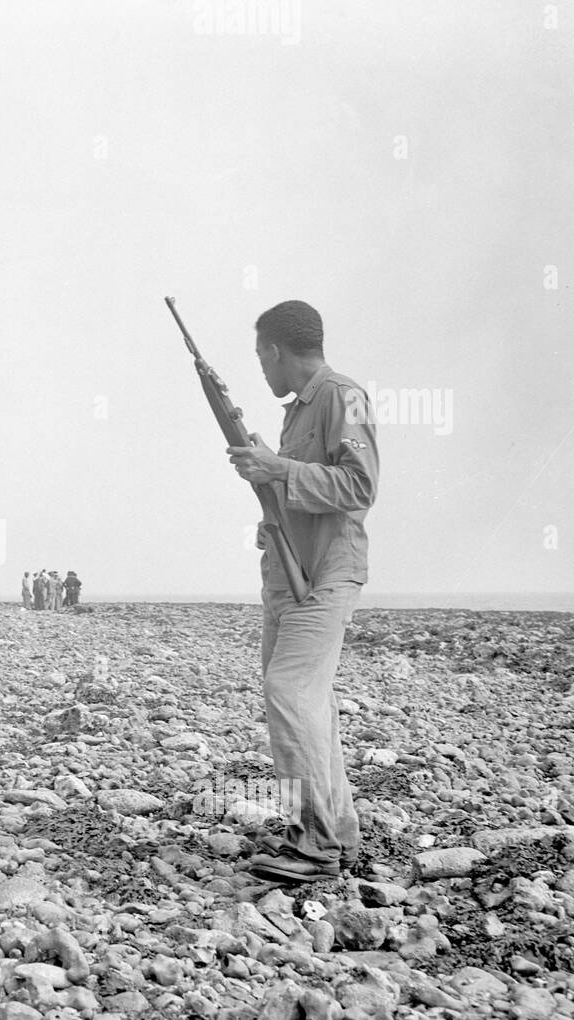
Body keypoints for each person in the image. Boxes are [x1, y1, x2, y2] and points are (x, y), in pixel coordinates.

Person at [227, 300, 378, 883]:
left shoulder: (343, 396)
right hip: (291, 577)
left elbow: (359, 486)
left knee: (289, 691)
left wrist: (279, 469)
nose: (262, 370)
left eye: (261, 357)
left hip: (326, 576)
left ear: (273, 351)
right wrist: (271, 486)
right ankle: (336, 833)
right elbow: (305, 496)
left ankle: (313, 844)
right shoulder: (298, 413)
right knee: (307, 704)